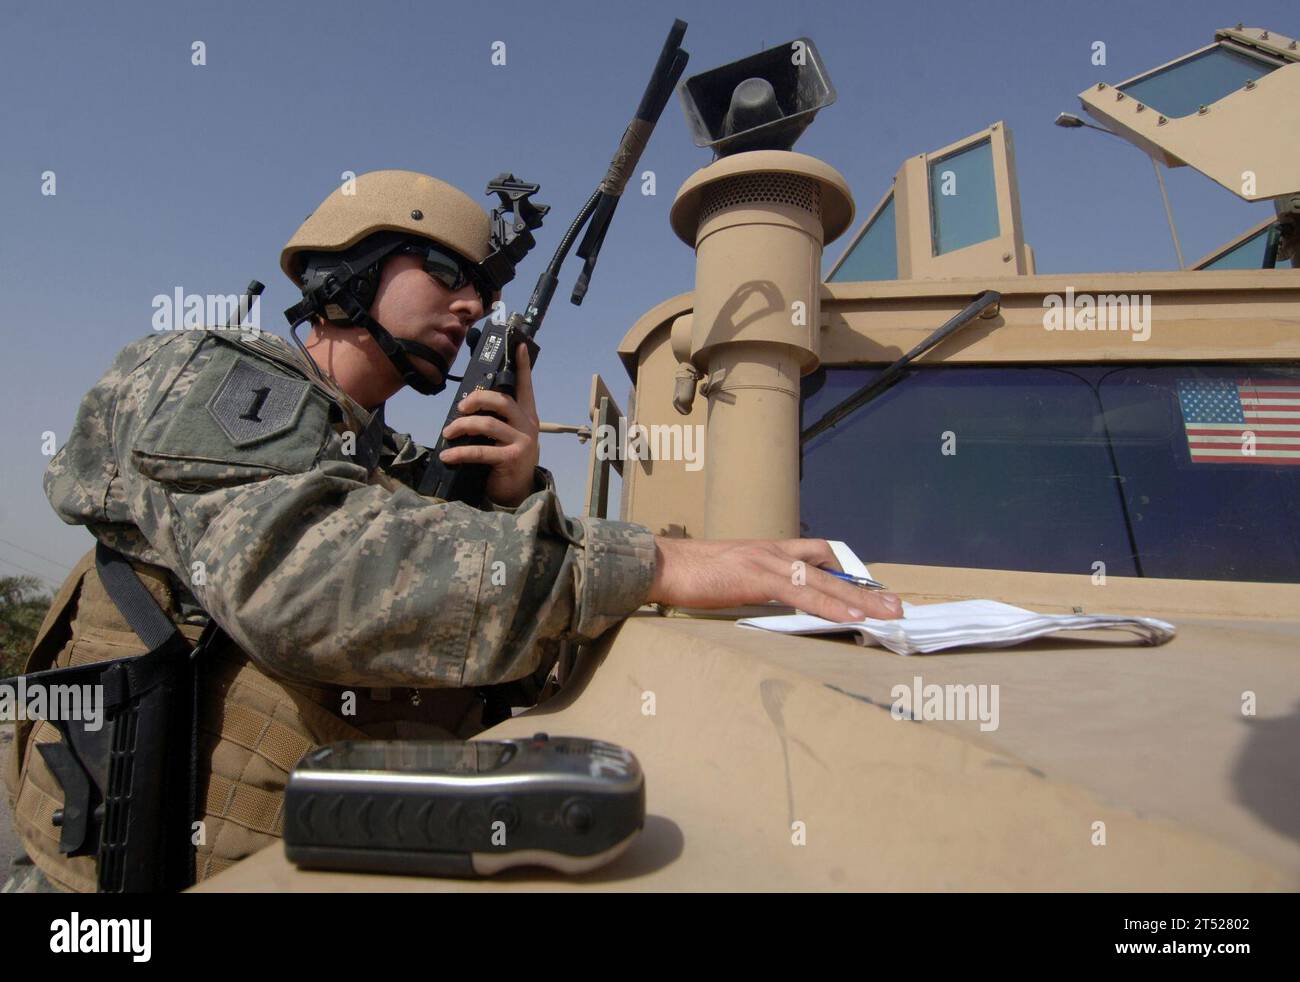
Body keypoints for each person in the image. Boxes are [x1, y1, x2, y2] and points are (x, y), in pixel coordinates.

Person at [3, 169, 901, 893]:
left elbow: (467, 638)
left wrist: (514, 493)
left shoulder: (382, 458)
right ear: (349, 270)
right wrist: (656, 561)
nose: (472, 307)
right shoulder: (212, 376)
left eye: (485, 289)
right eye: (446, 273)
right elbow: (309, 584)